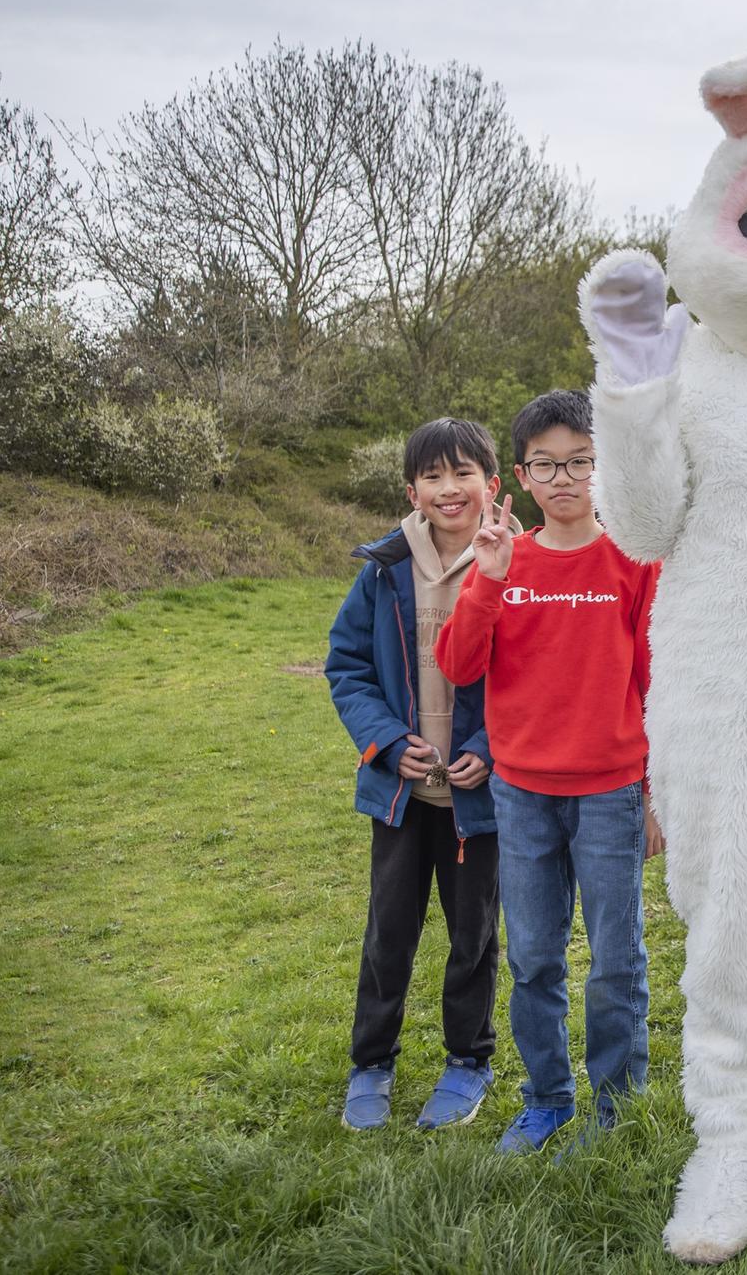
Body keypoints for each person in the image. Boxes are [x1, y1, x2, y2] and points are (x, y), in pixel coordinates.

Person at [434, 390, 662, 1153]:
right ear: (522, 475)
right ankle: (548, 1098)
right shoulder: (504, 560)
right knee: (533, 957)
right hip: (523, 793)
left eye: (579, 461)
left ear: (604, 466)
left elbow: (657, 680)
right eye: (546, 464)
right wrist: (490, 578)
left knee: (615, 961)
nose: (563, 478)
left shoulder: (635, 559)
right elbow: (458, 664)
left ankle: (617, 1105)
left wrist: (655, 793)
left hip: (610, 792)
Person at [325, 418, 512, 1132]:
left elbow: (535, 674)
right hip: (402, 796)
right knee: (389, 932)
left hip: (477, 801)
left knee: (474, 935)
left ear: (491, 484)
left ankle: (468, 1060)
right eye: (432, 476)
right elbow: (347, 665)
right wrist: (383, 740)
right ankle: (371, 1062)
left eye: (462, 472)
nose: (448, 488)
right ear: (412, 491)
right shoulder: (384, 568)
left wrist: (490, 745)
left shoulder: (517, 566)